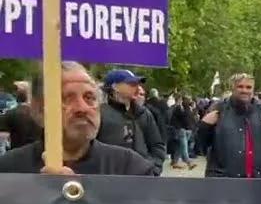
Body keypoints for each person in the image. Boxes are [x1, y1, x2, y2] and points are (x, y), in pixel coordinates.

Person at [0, 63, 158, 176]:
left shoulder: (131, 168)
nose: (82, 108)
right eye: (67, 98)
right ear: (39, 110)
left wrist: (80, 199)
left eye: (90, 97)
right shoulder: (9, 170)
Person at [200, 73, 261, 178]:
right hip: (223, 179)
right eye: (240, 86)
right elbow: (200, 145)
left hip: (256, 181)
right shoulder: (218, 109)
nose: (244, 90)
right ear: (233, 88)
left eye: (248, 87)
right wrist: (204, 126)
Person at [98, 69, 166, 166]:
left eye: (138, 84)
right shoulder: (99, 114)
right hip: (112, 178)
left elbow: (157, 145)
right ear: (115, 87)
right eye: (132, 84)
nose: (138, 88)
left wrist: (153, 168)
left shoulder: (144, 114)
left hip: (143, 176)